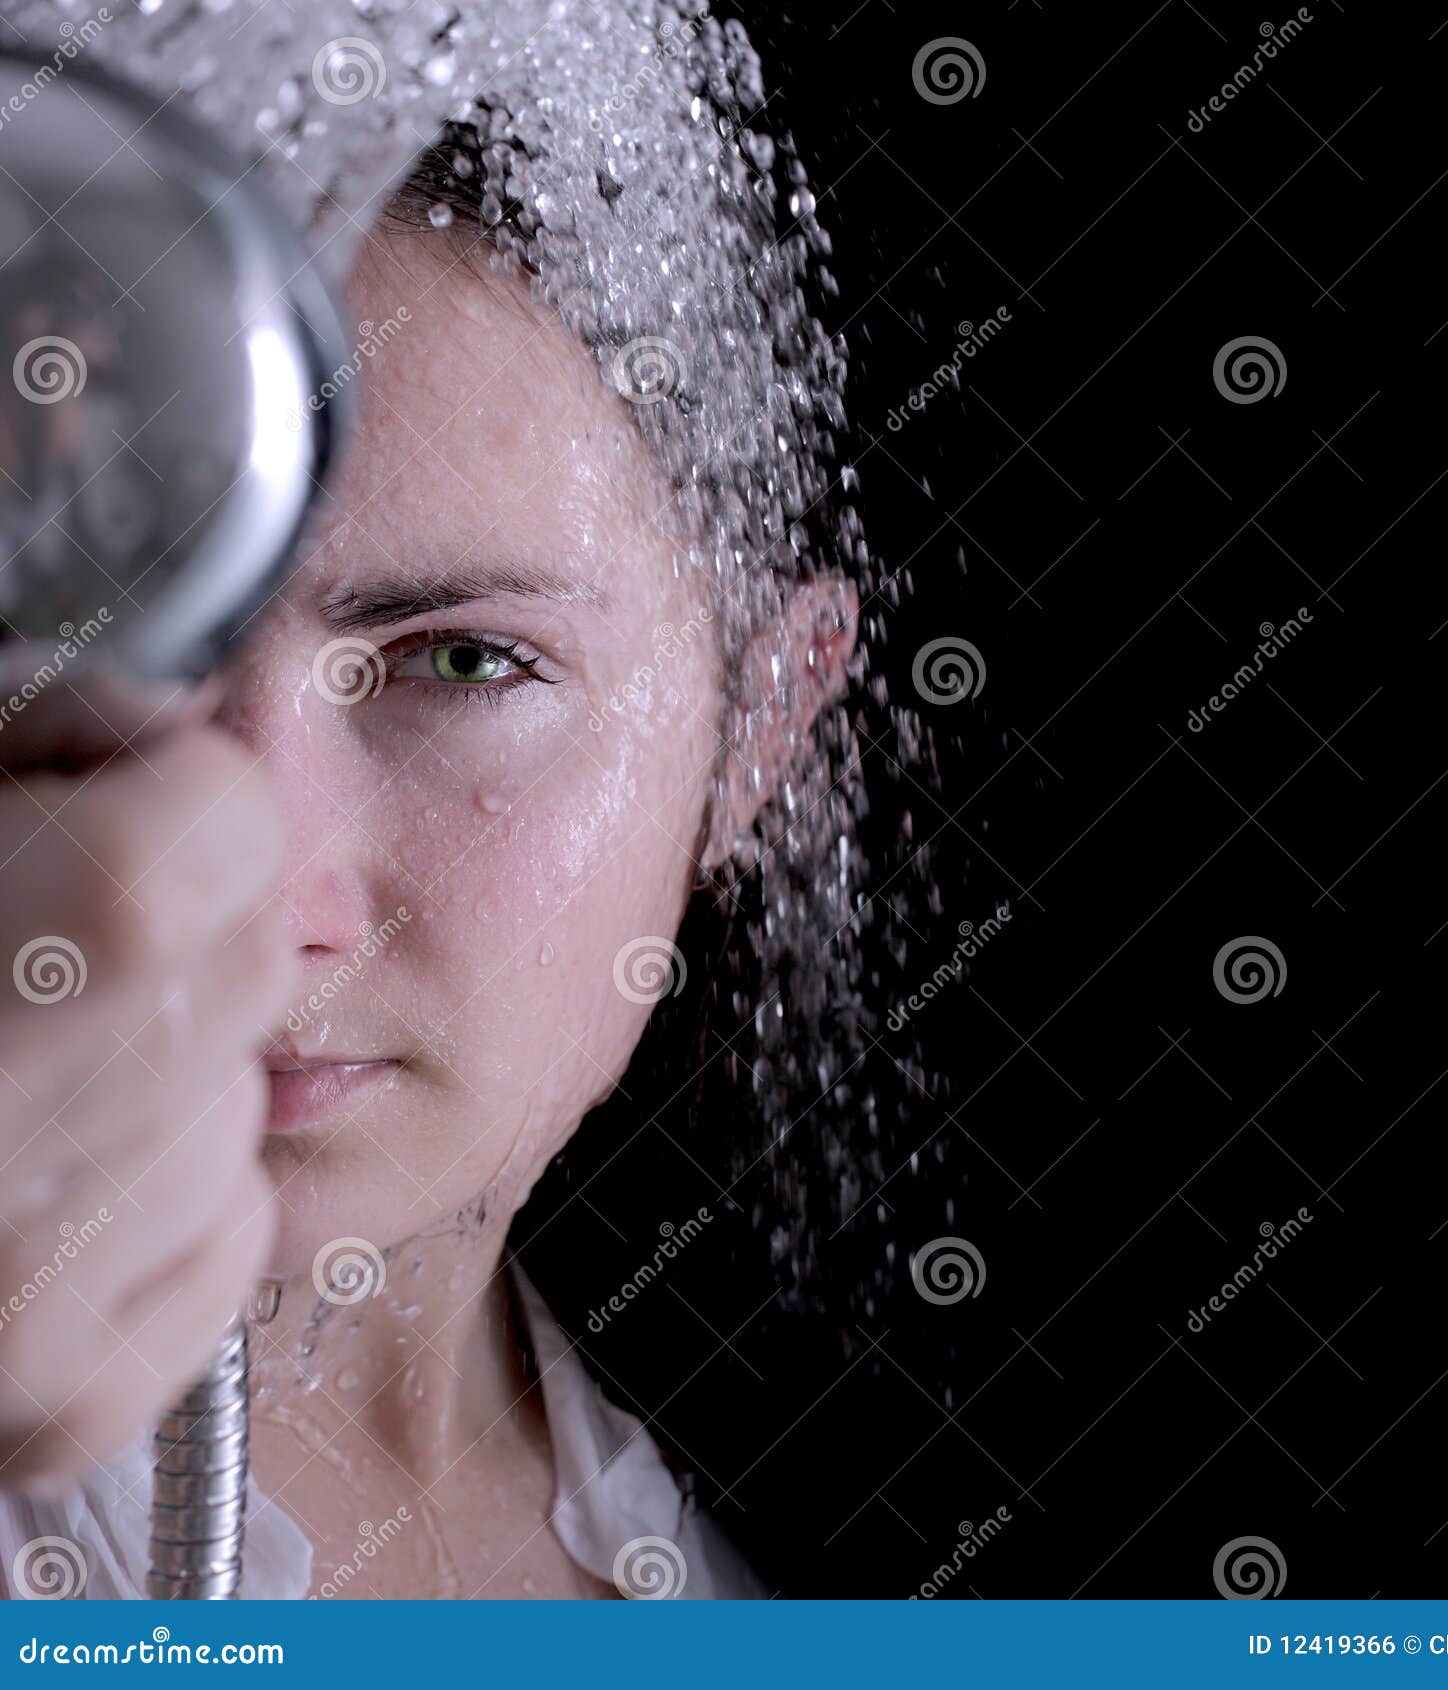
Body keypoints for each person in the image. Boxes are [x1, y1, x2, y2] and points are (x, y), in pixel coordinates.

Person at [0, 2, 869, 1599]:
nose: (249, 908)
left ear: (760, 727)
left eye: (463, 662)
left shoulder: (846, 1525)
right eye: (90, 645)